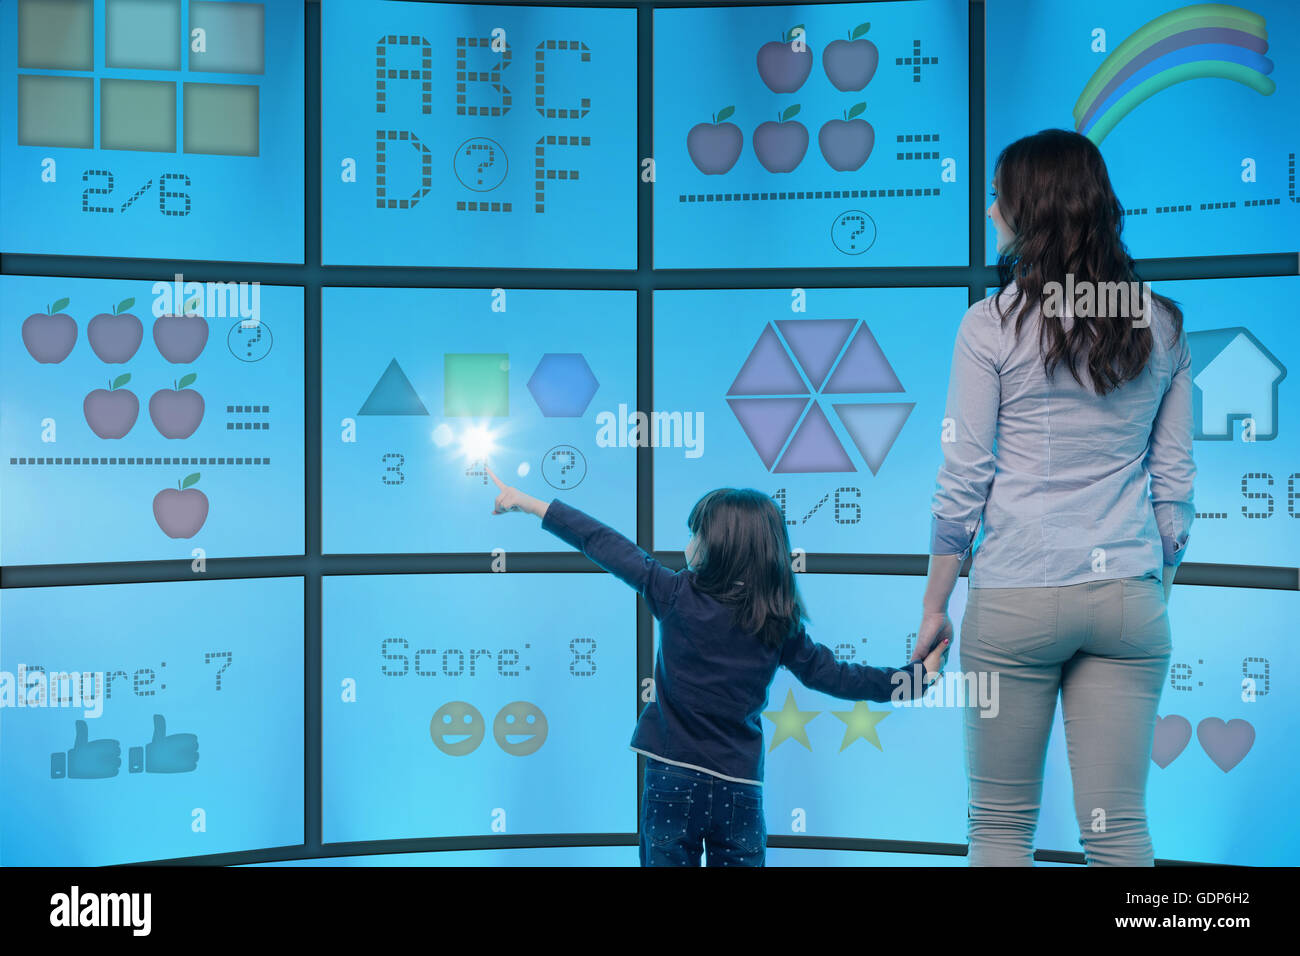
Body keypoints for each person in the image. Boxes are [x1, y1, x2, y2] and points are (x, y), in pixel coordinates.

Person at [912, 128, 1195, 865]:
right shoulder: (1162, 324)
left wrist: (934, 606)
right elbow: (1175, 498)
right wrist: (1151, 589)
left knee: (1001, 831)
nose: (988, 210)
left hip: (1016, 601)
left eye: (998, 195)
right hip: (1130, 601)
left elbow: (963, 486)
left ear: (1028, 211)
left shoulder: (988, 325)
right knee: (1119, 833)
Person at [486, 470, 950, 866]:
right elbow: (838, 676)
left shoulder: (672, 594)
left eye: (695, 533)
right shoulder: (777, 622)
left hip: (672, 779)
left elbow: (602, 542)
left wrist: (526, 503)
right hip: (740, 791)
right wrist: (915, 679)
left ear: (721, 546)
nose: (687, 543)